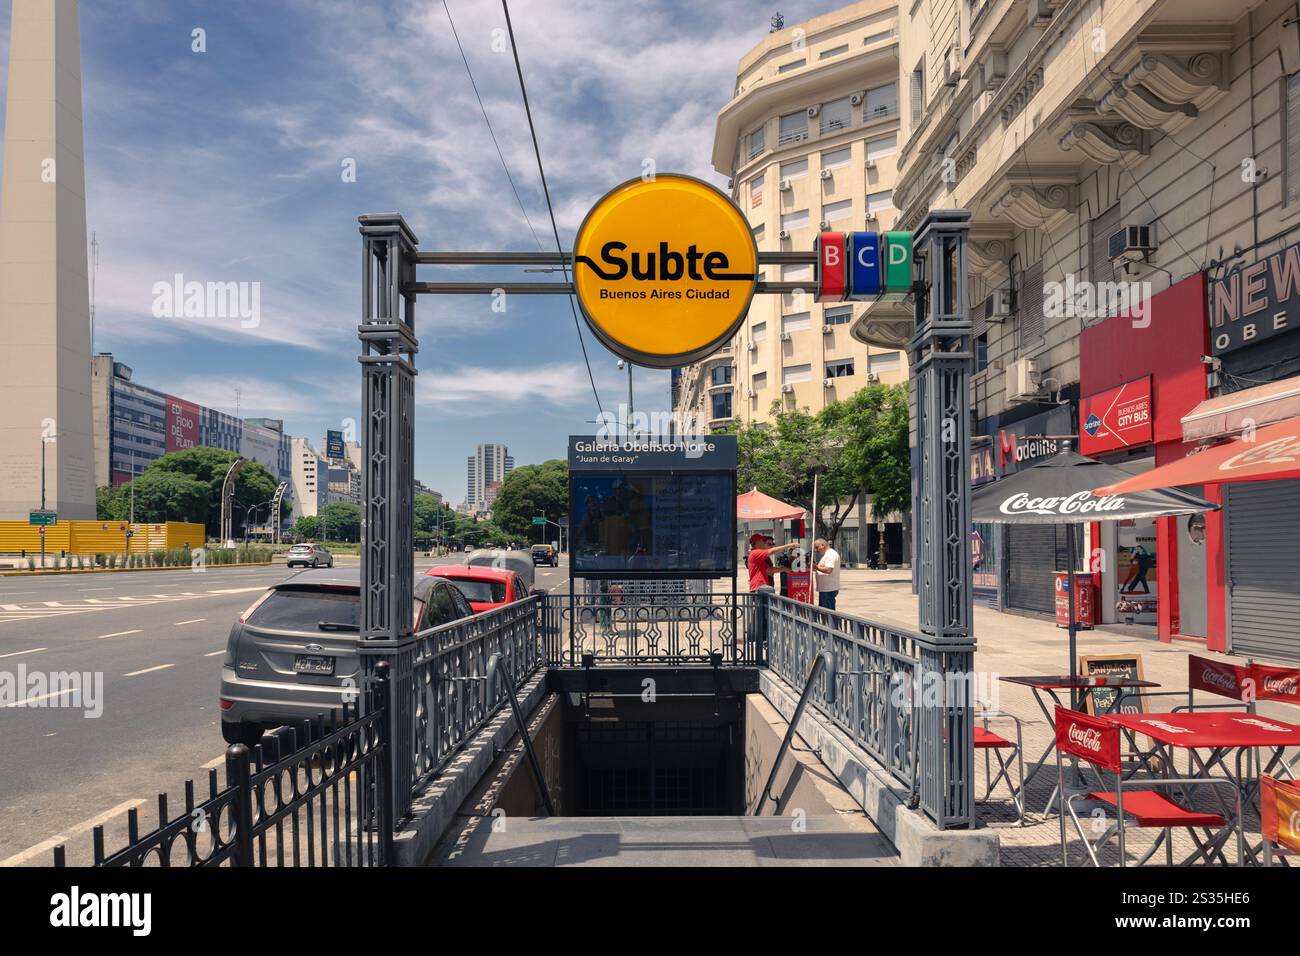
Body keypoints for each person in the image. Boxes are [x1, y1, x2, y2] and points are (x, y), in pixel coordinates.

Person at [813, 538, 841, 610]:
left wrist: (816, 567)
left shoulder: (831, 554)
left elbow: (828, 570)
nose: (816, 550)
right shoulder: (827, 554)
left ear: (822, 545)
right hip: (825, 589)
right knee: (824, 612)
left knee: (828, 612)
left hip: (828, 589)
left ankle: (831, 622)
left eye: (817, 547)